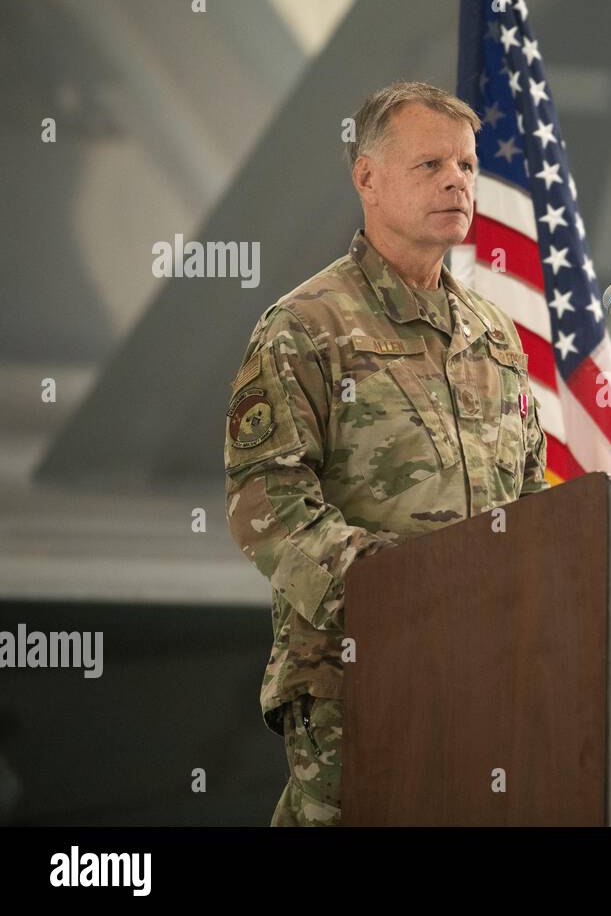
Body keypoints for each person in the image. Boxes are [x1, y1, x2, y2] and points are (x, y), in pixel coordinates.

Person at [223, 81, 548, 826]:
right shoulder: (305, 325)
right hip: (358, 677)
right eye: (430, 164)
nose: (457, 181)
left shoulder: (496, 336)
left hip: (491, 676)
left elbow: (531, 501)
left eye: (466, 165)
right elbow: (266, 508)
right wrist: (398, 598)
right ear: (366, 178)